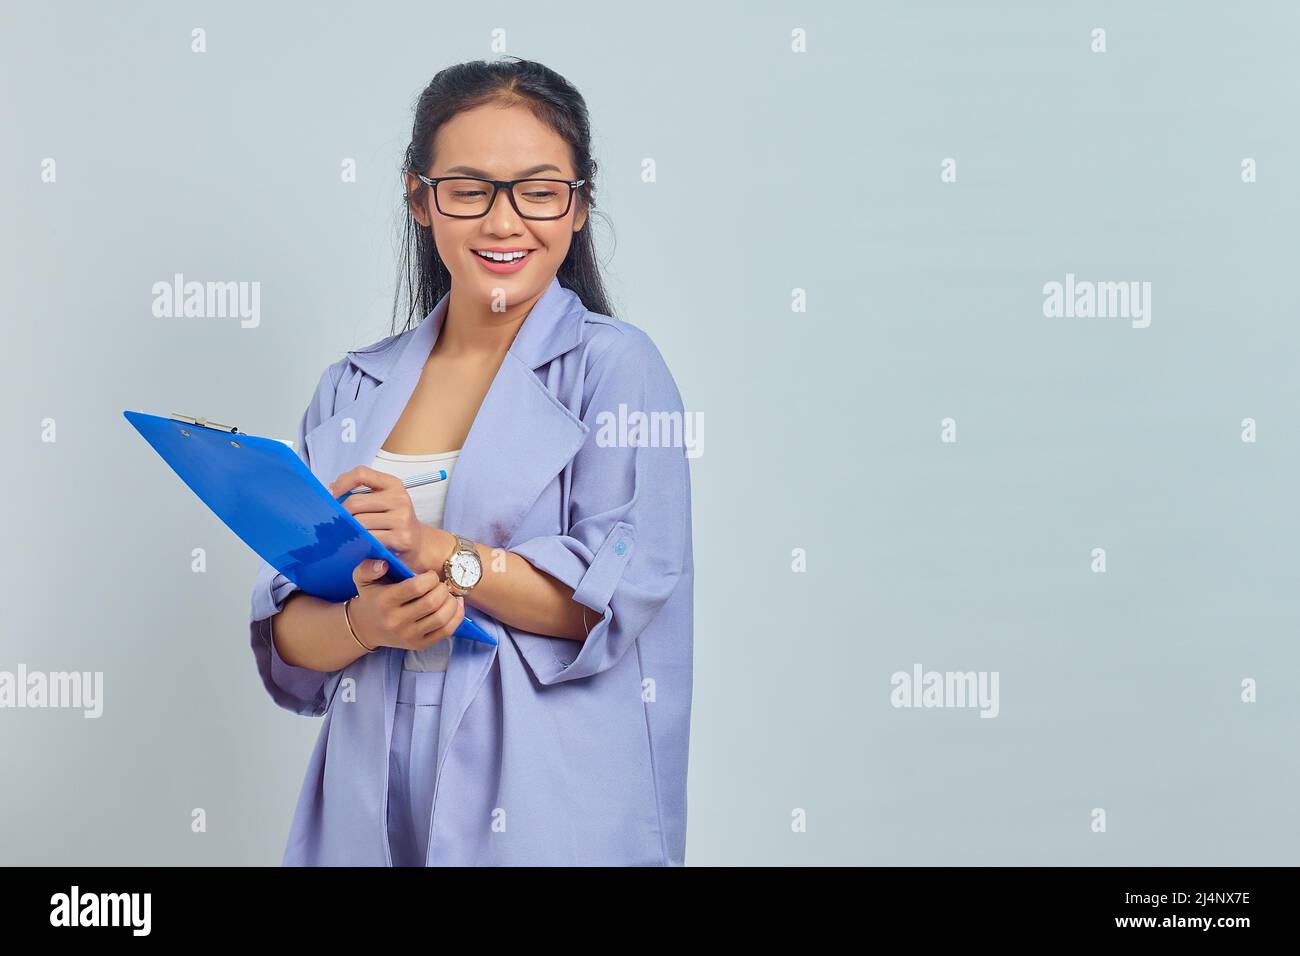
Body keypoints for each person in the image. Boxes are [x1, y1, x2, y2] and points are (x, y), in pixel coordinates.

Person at [247, 57, 694, 866]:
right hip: (370, 792)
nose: (503, 222)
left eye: (539, 190)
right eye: (469, 189)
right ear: (421, 199)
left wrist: (437, 553)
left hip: (546, 800)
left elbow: (612, 600)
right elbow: (286, 637)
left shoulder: (616, 368)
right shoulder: (351, 387)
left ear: (580, 205)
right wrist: (363, 622)